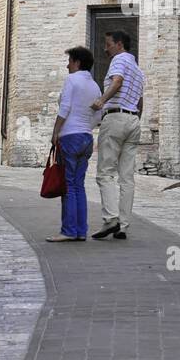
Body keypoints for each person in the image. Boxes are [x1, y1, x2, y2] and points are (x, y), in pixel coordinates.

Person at [90, 30, 145, 241]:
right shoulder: (139, 71)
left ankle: (110, 219)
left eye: (108, 44)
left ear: (119, 44)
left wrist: (101, 101)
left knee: (105, 172)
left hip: (115, 118)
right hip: (133, 120)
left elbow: (117, 81)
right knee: (127, 177)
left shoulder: (118, 60)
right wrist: (135, 120)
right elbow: (140, 102)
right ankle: (123, 225)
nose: (105, 48)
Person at [46, 46, 102, 242]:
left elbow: (65, 107)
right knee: (79, 184)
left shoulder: (72, 80)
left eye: (69, 61)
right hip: (86, 137)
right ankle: (80, 230)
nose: (67, 65)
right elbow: (98, 114)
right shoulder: (95, 86)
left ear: (77, 62)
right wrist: (86, 126)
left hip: (70, 136)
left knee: (68, 185)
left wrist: (56, 132)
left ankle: (68, 230)